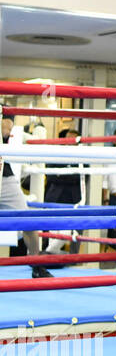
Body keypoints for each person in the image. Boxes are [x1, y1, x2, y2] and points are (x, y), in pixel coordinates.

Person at [1, 117, 52, 278]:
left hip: (4, 176)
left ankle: (37, 265)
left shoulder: (3, 109)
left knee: (28, 221)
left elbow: (5, 129)